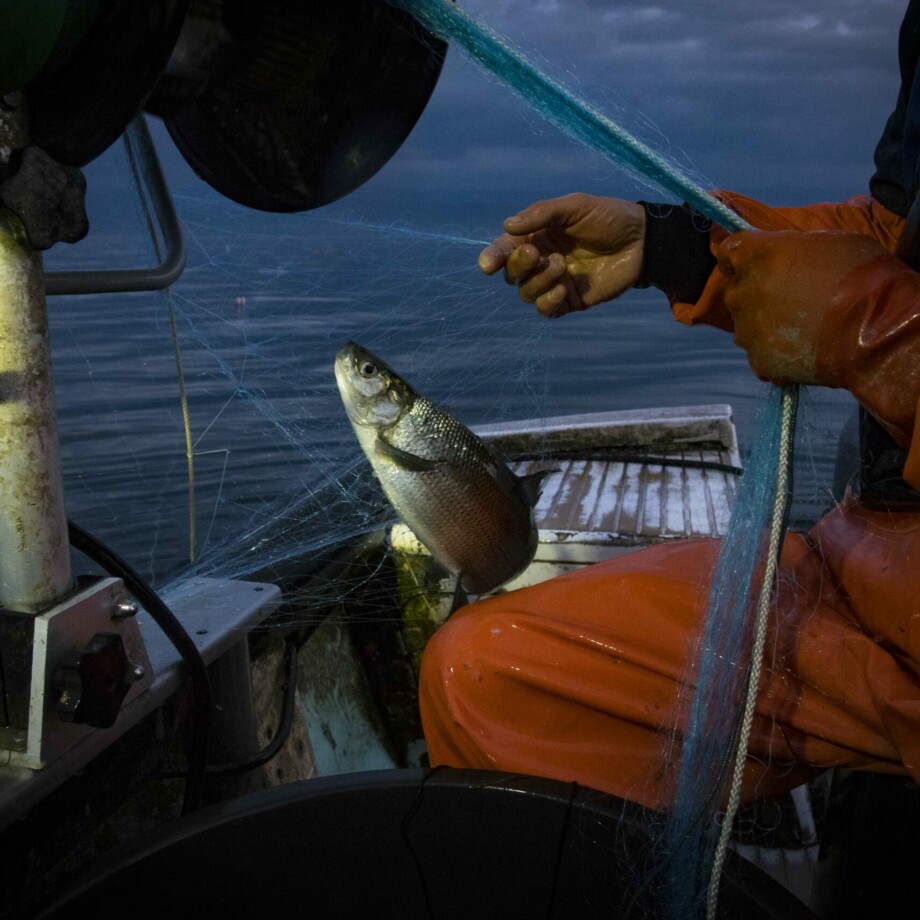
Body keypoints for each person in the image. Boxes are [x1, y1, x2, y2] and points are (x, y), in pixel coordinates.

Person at [417, 3, 920, 811]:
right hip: (872, 576)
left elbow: (878, 291)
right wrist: (672, 247)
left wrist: (875, 332)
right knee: (480, 677)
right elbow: (891, 235)